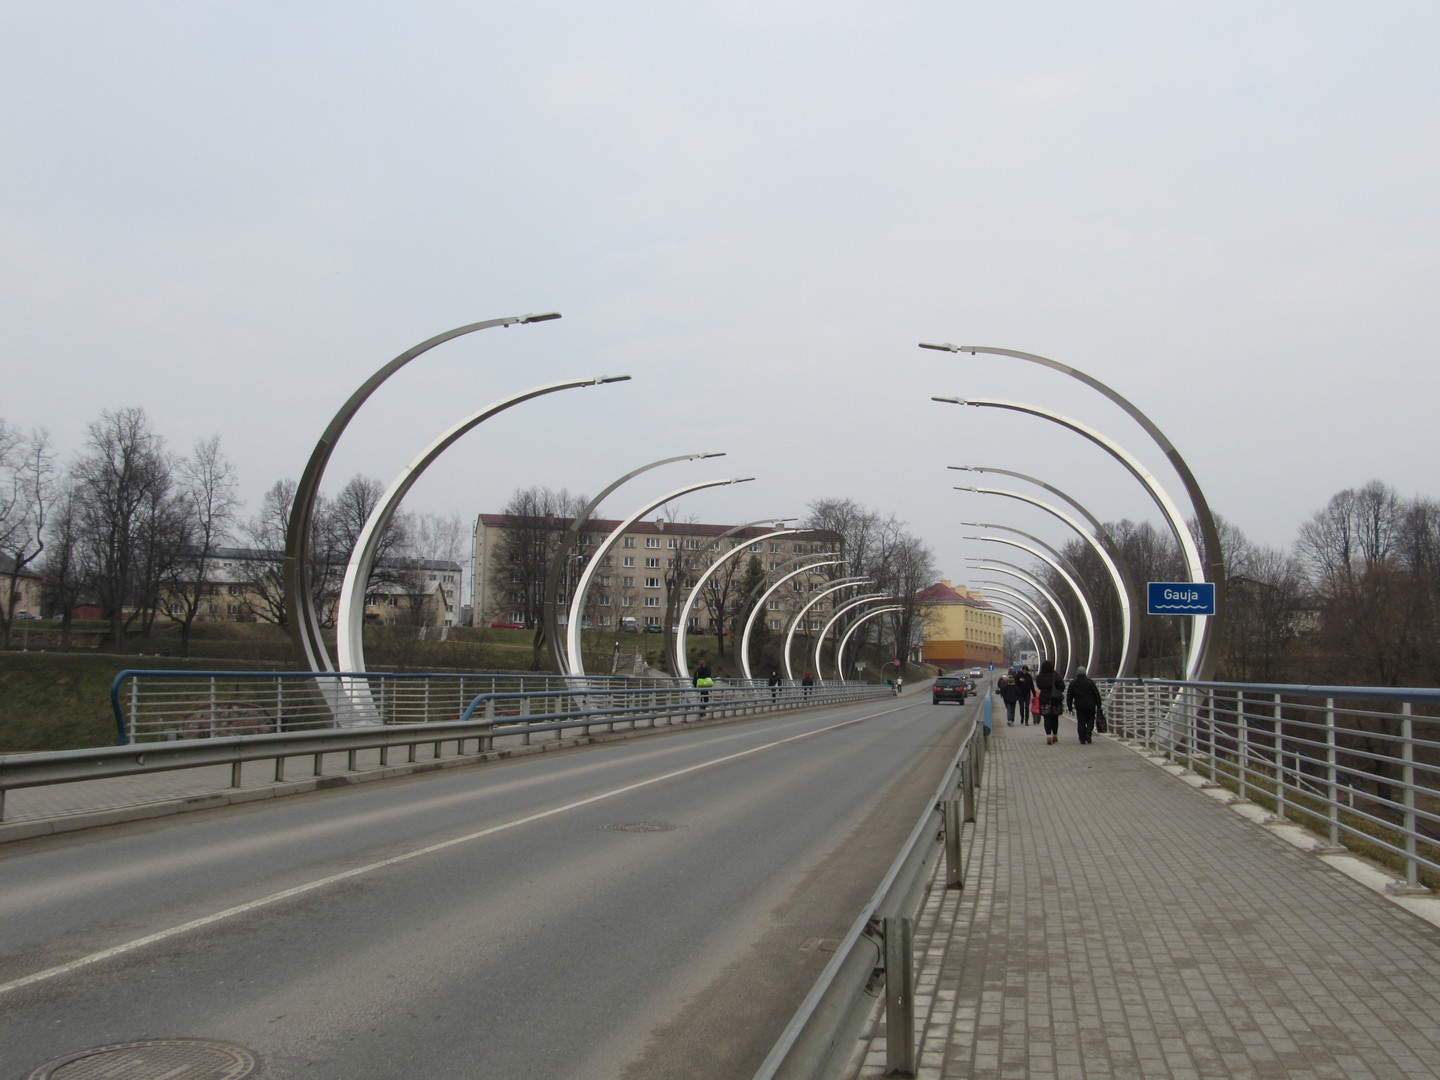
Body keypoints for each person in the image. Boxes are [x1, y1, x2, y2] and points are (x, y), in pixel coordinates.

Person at [1066, 666, 1103, 744]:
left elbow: (1069, 696)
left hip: (1079, 705)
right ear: (1085, 673)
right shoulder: (1090, 682)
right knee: (1090, 720)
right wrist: (1099, 704)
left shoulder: (1073, 683)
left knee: (1081, 722)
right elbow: (1096, 693)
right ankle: (1088, 732)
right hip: (1090, 704)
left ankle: (1082, 738)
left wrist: (1069, 706)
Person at [1034, 658, 1065, 744]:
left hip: (1044, 698)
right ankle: (1055, 735)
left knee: (1047, 717)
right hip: (1055, 699)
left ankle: (1048, 736)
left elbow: (1039, 686)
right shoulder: (1056, 675)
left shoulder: (1039, 677)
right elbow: (1062, 686)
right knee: (1055, 718)